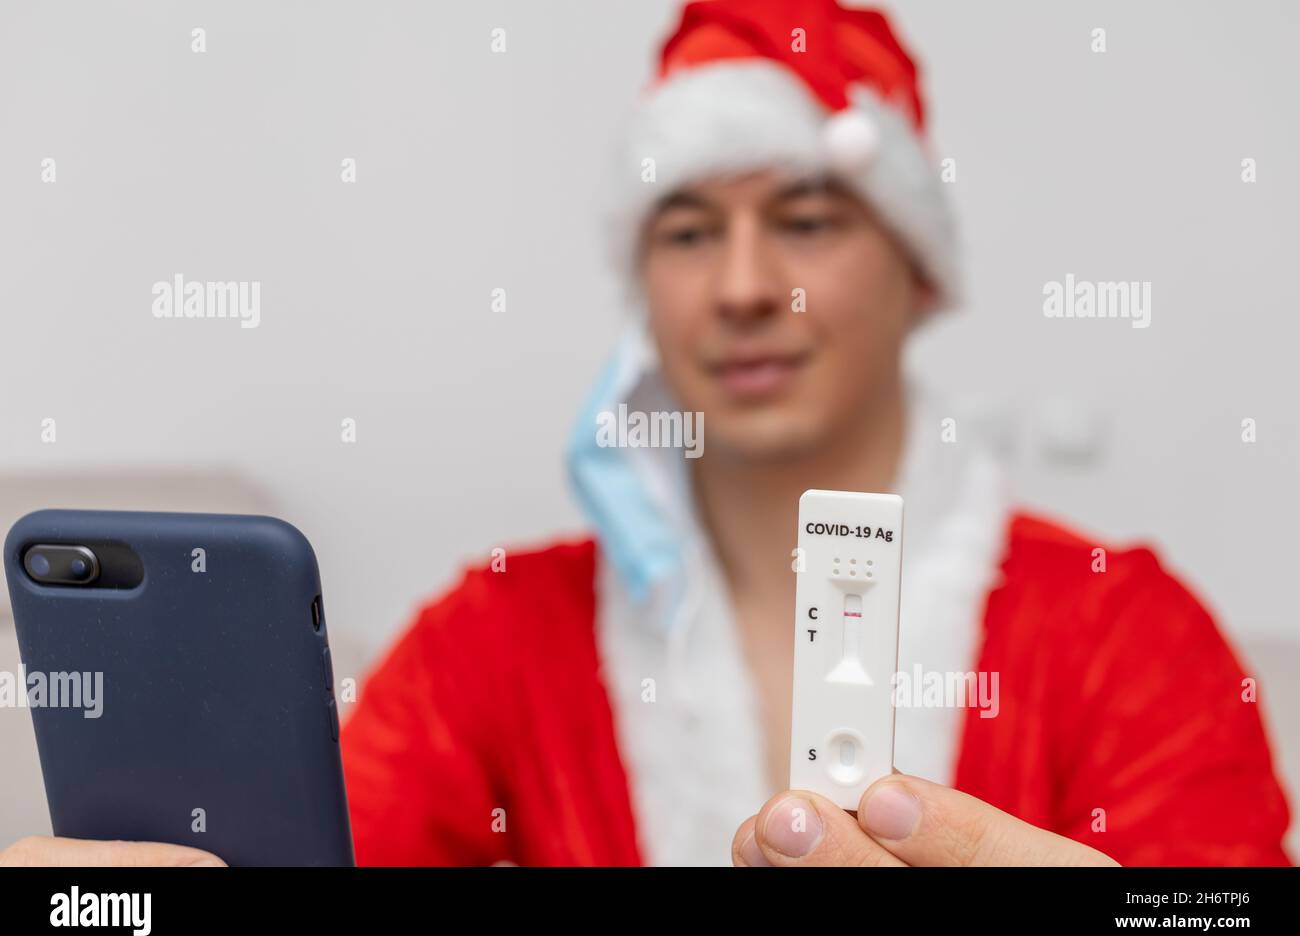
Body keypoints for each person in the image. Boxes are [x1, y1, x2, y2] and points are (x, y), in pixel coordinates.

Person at [3, 0, 1290, 869]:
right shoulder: (492, 640)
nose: (739, 286)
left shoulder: (1125, 632)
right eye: (685, 232)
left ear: (917, 269)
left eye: (806, 218)